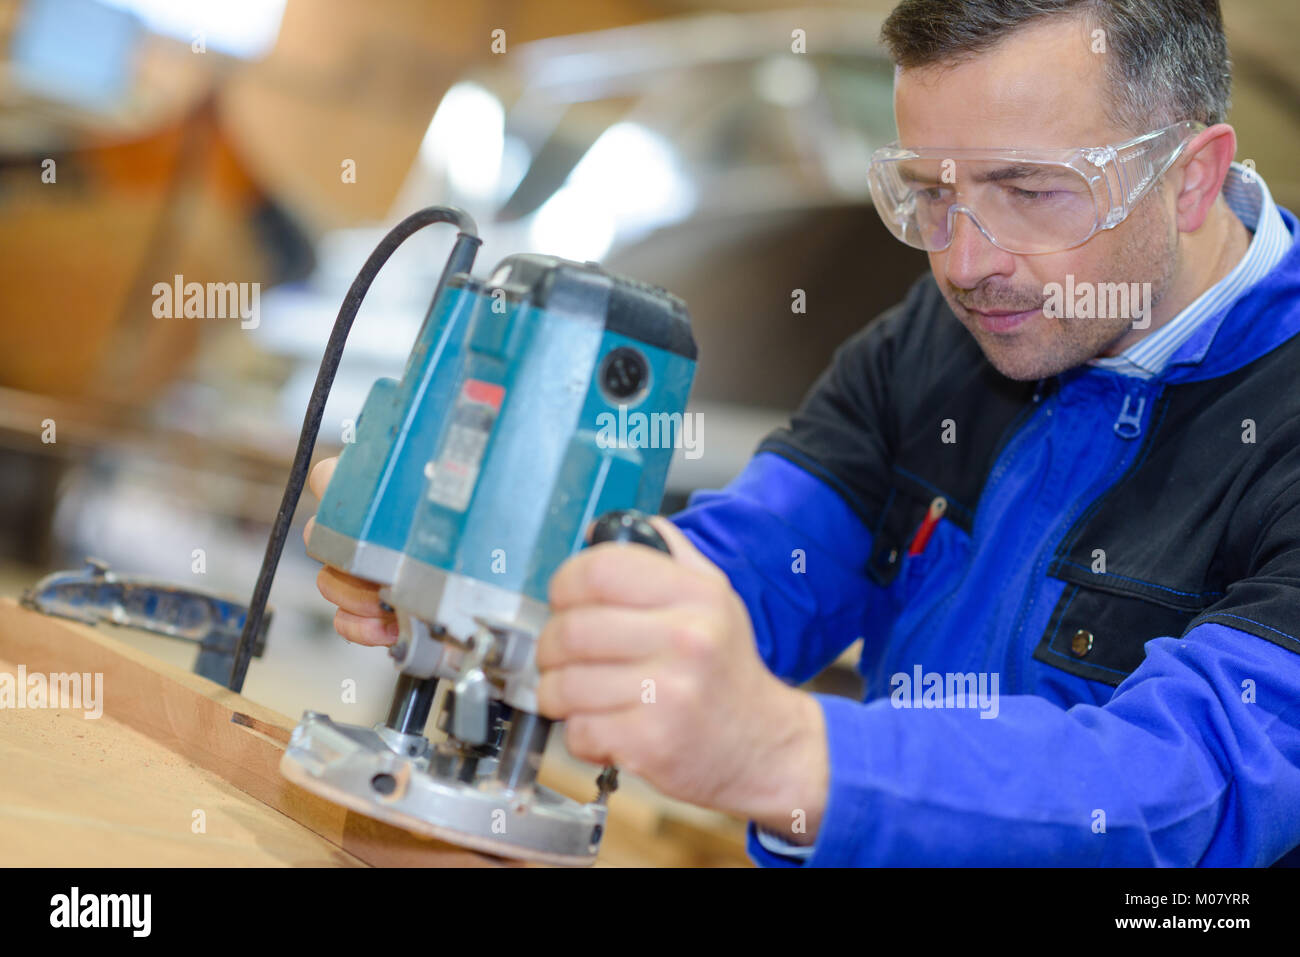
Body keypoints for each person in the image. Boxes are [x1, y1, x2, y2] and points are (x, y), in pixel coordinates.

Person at [306, 0, 1300, 865]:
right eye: (933, 193)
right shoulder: (945, 336)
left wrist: (787, 755)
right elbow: (764, 558)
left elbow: (1195, 780)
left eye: (1027, 190)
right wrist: (507, 573)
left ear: (1190, 177)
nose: (965, 262)